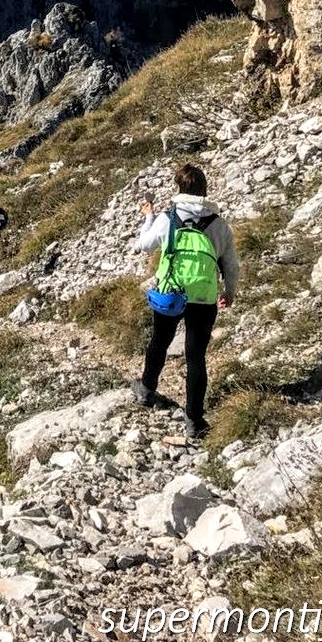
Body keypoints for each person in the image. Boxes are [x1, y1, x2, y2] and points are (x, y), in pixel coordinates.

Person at [129, 163, 241, 439]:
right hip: (204, 296)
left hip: (172, 290)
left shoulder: (169, 218)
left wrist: (149, 217)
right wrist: (229, 292)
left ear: (179, 188)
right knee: (196, 357)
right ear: (205, 190)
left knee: (160, 340)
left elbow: (143, 245)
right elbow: (231, 265)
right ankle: (194, 420)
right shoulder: (220, 225)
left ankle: (146, 389)